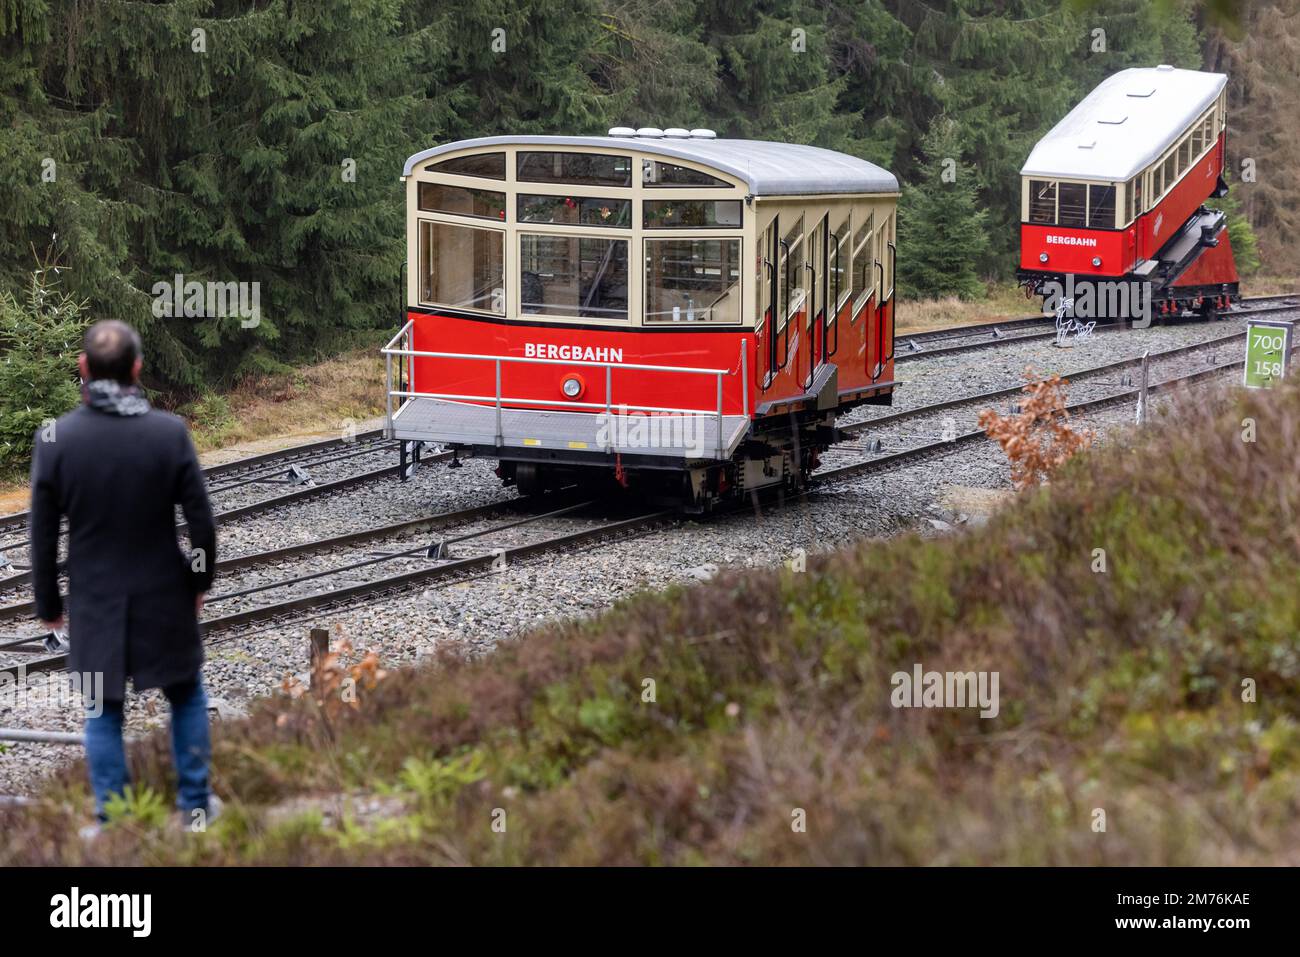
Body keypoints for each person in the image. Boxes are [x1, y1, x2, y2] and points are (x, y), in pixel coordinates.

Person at [29, 320, 218, 829]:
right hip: (164, 593)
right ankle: (196, 806)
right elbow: (201, 521)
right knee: (185, 694)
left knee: (102, 709)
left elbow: (43, 536)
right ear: (137, 368)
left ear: (84, 368)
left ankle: (114, 823)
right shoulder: (168, 432)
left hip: (95, 599)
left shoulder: (57, 440)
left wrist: (48, 606)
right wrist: (197, 584)